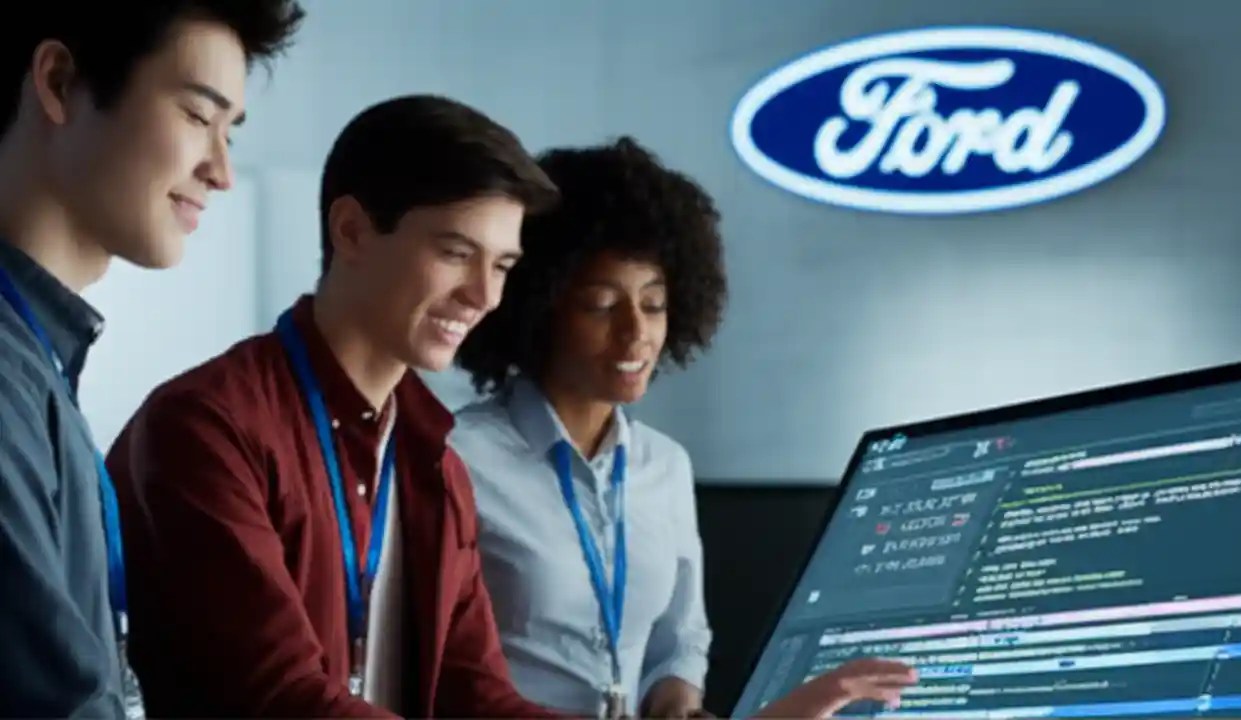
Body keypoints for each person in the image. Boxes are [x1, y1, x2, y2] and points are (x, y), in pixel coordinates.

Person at [104, 94, 564, 718]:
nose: (484, 295)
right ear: (351, 230)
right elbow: (280, 700)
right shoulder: (208, 427)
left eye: (502, 265)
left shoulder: (436, 463)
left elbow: (476, 699)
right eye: (456, 253)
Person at [449, 137, 917, 718]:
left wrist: (678, 704)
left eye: (653, 304)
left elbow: (679, 644)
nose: (635, 333)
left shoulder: (664, 466)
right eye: (599, 305)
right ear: (537, 309)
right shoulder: (458, 458)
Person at [0, 2, 303, 717]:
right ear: (60, 81)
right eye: (200, 118)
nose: (223, 172)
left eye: (231, 133)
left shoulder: (41, 357)